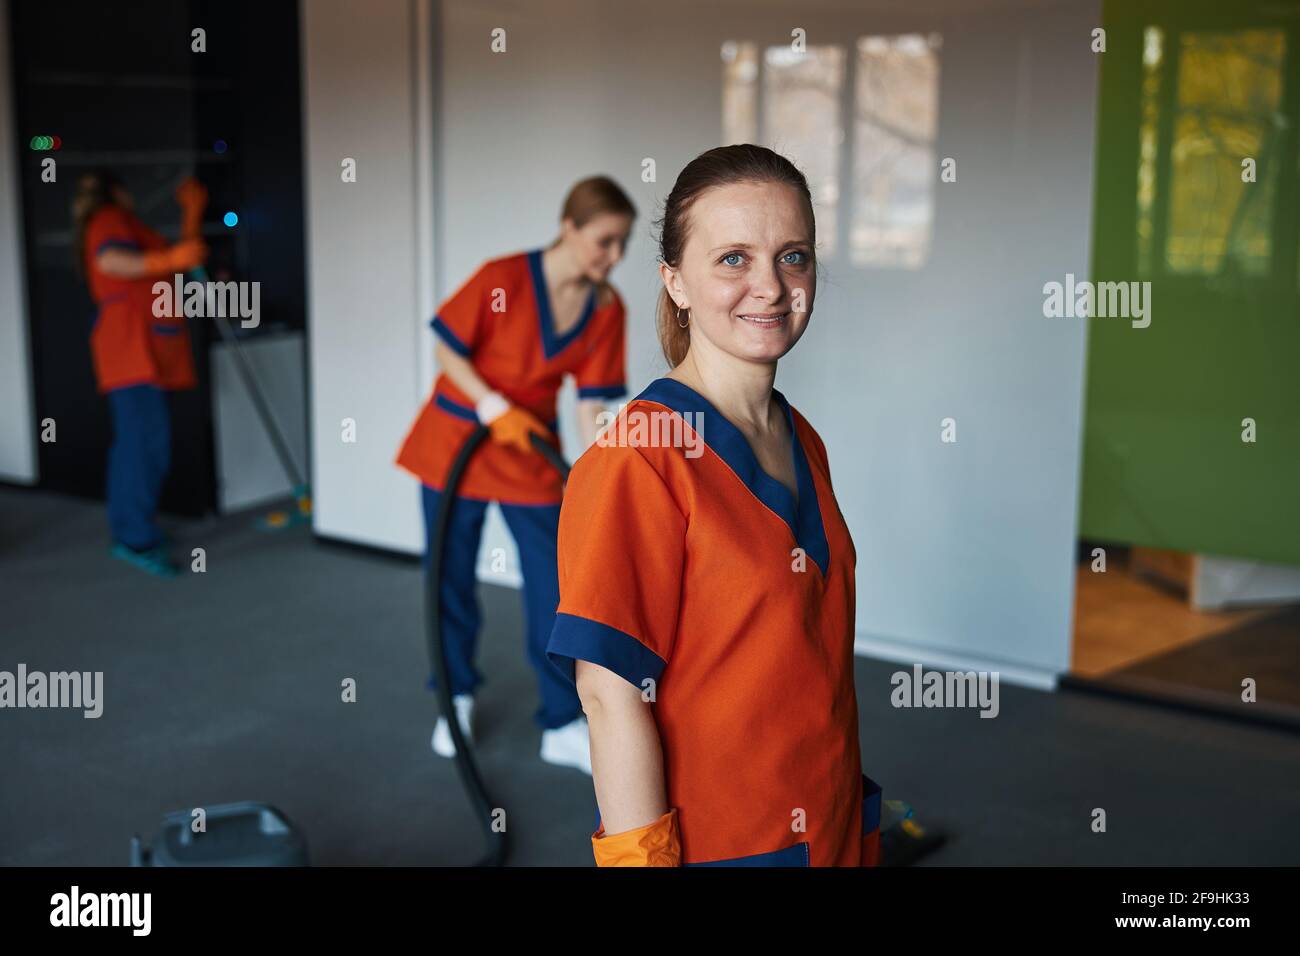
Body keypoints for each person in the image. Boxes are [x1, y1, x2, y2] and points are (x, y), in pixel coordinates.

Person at [545, 145, 880, 865]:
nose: (770, 285)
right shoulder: (638, 459)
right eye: (733, 259)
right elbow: (609, 697)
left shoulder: (801, 437)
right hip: (730, 844)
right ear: (676, 282)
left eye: (793, 256)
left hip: (829, 819)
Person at [396, 176, 635, 773]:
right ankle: (454, 698)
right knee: (448, 576)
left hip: (530, 449)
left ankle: (561, 721)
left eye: (623, 244)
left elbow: (591, 401)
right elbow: (446, 347)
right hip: (458, 441)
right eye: (605, 240)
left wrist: (597, 462)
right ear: (569, 227)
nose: (614, 256)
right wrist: (488, 404)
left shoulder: (606, 307)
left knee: (557, 590)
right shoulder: (500, 279)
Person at [74, 170, 209, 577]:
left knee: (136, 443)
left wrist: (192, 214)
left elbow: (179, 260)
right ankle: (134, 537)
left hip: (147, 348)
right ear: (117, 191)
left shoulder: (133, 225)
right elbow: (111, 260)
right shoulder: (109, 218)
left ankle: (132, 527)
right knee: (144, 445)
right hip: (131, 349)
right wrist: (167, 259)